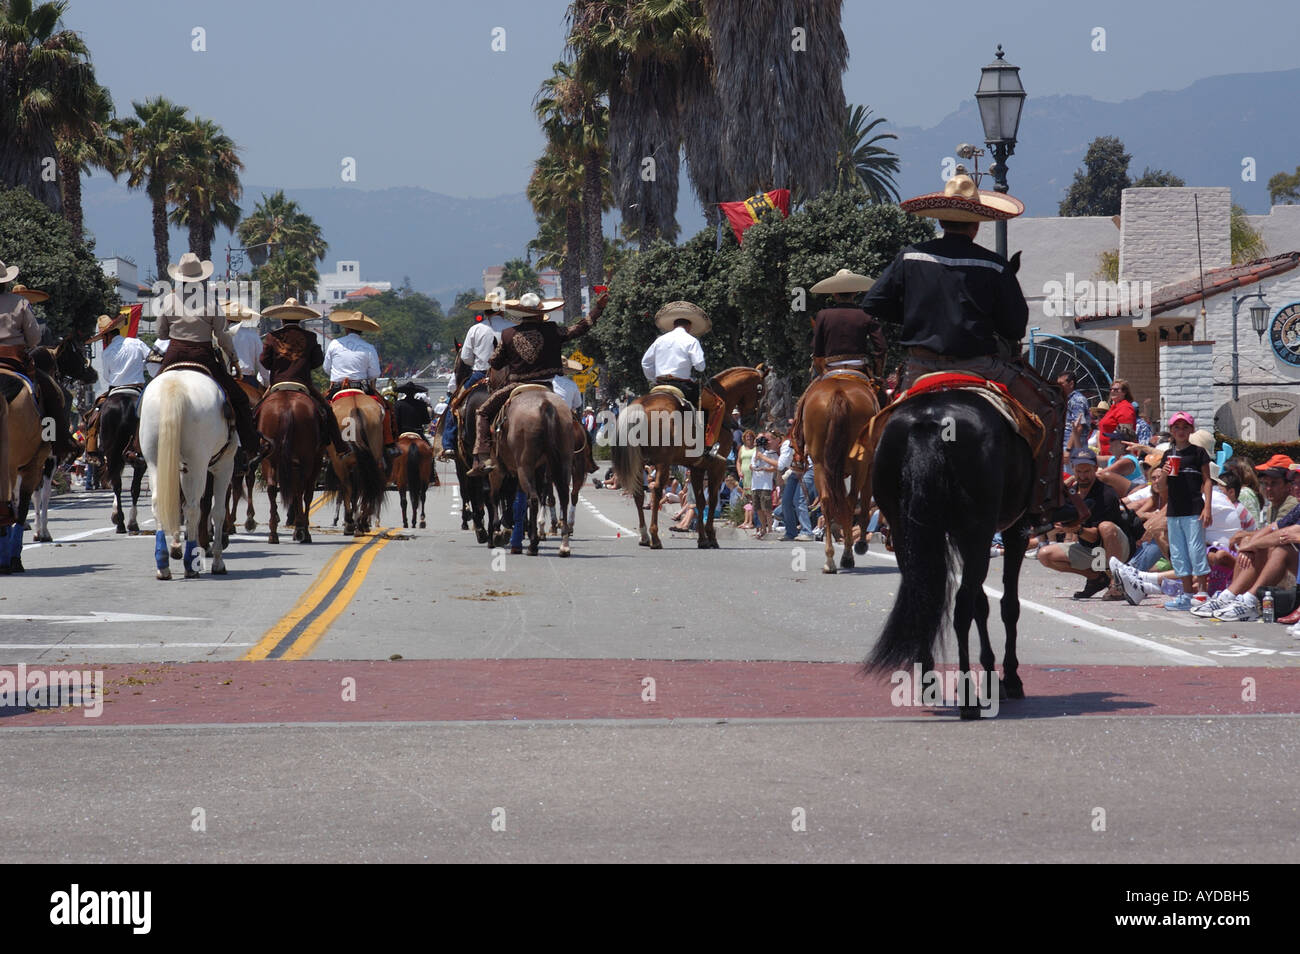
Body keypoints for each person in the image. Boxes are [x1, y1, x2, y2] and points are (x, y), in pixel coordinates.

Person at [861, 174, 1064, 528]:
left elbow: (873, 302)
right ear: (976, 224)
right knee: (1050, 406)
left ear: (939, 220)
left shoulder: (909, 257)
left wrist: (911, 315)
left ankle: (875, 508)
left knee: (873, 427)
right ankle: (1041, 506)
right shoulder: (995, 265)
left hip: (919, 368)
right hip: (980, 367)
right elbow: (1015, 328)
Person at [468, 291, 605, 475]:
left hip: (516, 387)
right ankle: (583, 457)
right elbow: (580, 328)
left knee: (483, 411)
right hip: (548, 387)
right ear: (540, 313)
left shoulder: (508, 334)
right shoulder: (553, 329)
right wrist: (598, 308)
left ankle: (482, 457)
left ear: (521, 314)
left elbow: (495, 362)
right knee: (572, 417)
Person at [154, 253, 268, 467]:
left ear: (180, 278)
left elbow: (161, 334)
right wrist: (233, 358)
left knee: (146, 396)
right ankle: (251, 446)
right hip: (202, 356)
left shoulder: (168, 300)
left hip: (174, 354)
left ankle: (136, 445)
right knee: (240, 399)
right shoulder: (209, 301)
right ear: (199, 278)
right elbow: (222, 335)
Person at [256, 297, 352, 465]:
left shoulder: (272, 336)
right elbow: (317, 362)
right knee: (327, 411)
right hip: (303, 384)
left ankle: (251, 448)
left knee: (255, 412)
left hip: (277, 384)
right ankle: (340, 446)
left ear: (281, 318)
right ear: (301, 318)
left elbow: (264, 361)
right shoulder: (310, 336)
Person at [0, 265, 77, 460]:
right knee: (53, 393)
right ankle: (54, 441)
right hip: (15, 360)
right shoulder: (20, 303)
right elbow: (34, 339)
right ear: (7, 281)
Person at [1036, 448, 1131, 599]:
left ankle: (1117, 583)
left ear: (1095, 469)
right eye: (1078, 471)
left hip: (1116, 549)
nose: (1082, 476)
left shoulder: (1106, 494)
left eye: (1087, 471)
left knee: (1106, 527)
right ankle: (1096, 577)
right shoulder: (1071, 493)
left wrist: (1077, 529)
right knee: (1044, 555)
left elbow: (1097, 537)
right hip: (1093, 552)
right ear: (1072, 469)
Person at [638, 300, 725, 461]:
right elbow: (700, 366)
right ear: (689, 326)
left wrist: (653, 378)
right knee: (717, 405)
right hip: (682, 386)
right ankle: (705, 445)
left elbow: (645, 363)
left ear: (673, 325)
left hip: (659, 385)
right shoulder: (691, 340)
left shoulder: (660, 340)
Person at [1148, 412, 1212, 610]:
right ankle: (1187, 594)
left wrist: (1207, 506)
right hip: (1175, 510)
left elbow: (1207, 480)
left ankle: (1201, 592)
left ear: (1191, 430)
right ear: (1172, 431)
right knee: (1178, 552)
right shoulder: (1169, 454)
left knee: (1196, 550)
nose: (1181, 431)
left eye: (1185, 427)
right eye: (1177, 428)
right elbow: (1163, 487)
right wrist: (1165, 473)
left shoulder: (1199, 452)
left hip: (1193, 507)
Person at [441, 294, 514, 461]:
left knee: (455, 404)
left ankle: (449, 444)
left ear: (485, 310)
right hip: (508, 377)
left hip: (480, 374)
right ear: (501, 311)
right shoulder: (512, 326)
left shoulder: (475, 329)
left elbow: (466, 358)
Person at [323, 309, 398, 460]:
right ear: (362, 330)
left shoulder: (334, 344)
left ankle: (321, 446)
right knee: (386, 409)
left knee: (319, 412)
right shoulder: (369, 347)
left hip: (337, 389)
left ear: (346, 327)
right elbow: (375, 374)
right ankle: (389, 444)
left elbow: (326, 368)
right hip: (362, 388)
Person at [82, 312, 155, 464]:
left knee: (93, 416)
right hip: (138, 388)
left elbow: (108, 377)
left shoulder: (107, 352)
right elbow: (152, 359)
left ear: (107, 336)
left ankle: (92, 451)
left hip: (115, 389)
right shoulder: (136, 343)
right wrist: (141, 367)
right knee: (157, 414)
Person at [808, 268, 885, 378]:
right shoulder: (866, 314)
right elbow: (881, 347)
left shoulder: (823, 315)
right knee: (879, 393)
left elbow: (817, 350)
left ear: (834, 294)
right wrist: (878, 375)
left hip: (830, 367)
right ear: (855, 293)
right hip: (859, 367)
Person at [778, 424, 813, 541]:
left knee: (799, 499)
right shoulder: (790, 442)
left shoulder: (787, 445)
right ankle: (791, 532)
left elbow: (781, 465)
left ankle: (807, 532)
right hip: (796, 469)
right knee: (786, 501)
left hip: (809, 468)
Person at [226, 302, 268, 387]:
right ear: (241, 318)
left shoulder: (221, 335)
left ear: (227, 319)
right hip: (247, 379)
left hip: (226, 378)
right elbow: (261, 361)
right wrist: (267, 381)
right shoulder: (252, 335)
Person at [1097, 380, 1137, 457]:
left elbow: (1126, 436)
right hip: (1107, 454)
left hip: (1118, 455)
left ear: (1124, 392)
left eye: (1116, 390)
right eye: (1111, 389)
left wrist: (1121, 457)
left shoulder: (1125, 408)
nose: (1112, 391)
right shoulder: (1114, 407)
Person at [750, 432, 778, 539]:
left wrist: (766, 469)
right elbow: (752, 465)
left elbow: (776, 467)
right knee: (758, 508)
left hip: (765, 484)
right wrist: (752, 467)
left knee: (767, 508)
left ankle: (770, 528)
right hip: (755, 484)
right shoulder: (755, 453)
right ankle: (763, 528)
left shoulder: (771, 453)